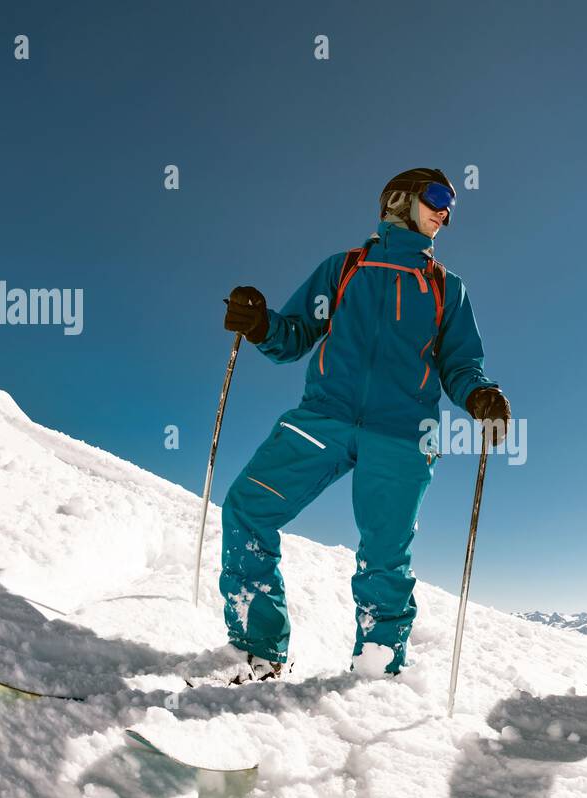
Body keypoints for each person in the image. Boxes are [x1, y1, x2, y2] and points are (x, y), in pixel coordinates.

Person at [207, 168, 510, 684]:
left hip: (402, 434)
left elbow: (461, 365)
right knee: (247, 507)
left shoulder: (445, 289)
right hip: (323, 416)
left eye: (452, 203)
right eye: (437, 197)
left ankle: (375, 675)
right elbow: (296, 334)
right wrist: (260, 325)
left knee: (384, 559)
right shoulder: (344, 269)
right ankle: (258, 653)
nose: (446, 211)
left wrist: (479, 393)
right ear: (400, 200)